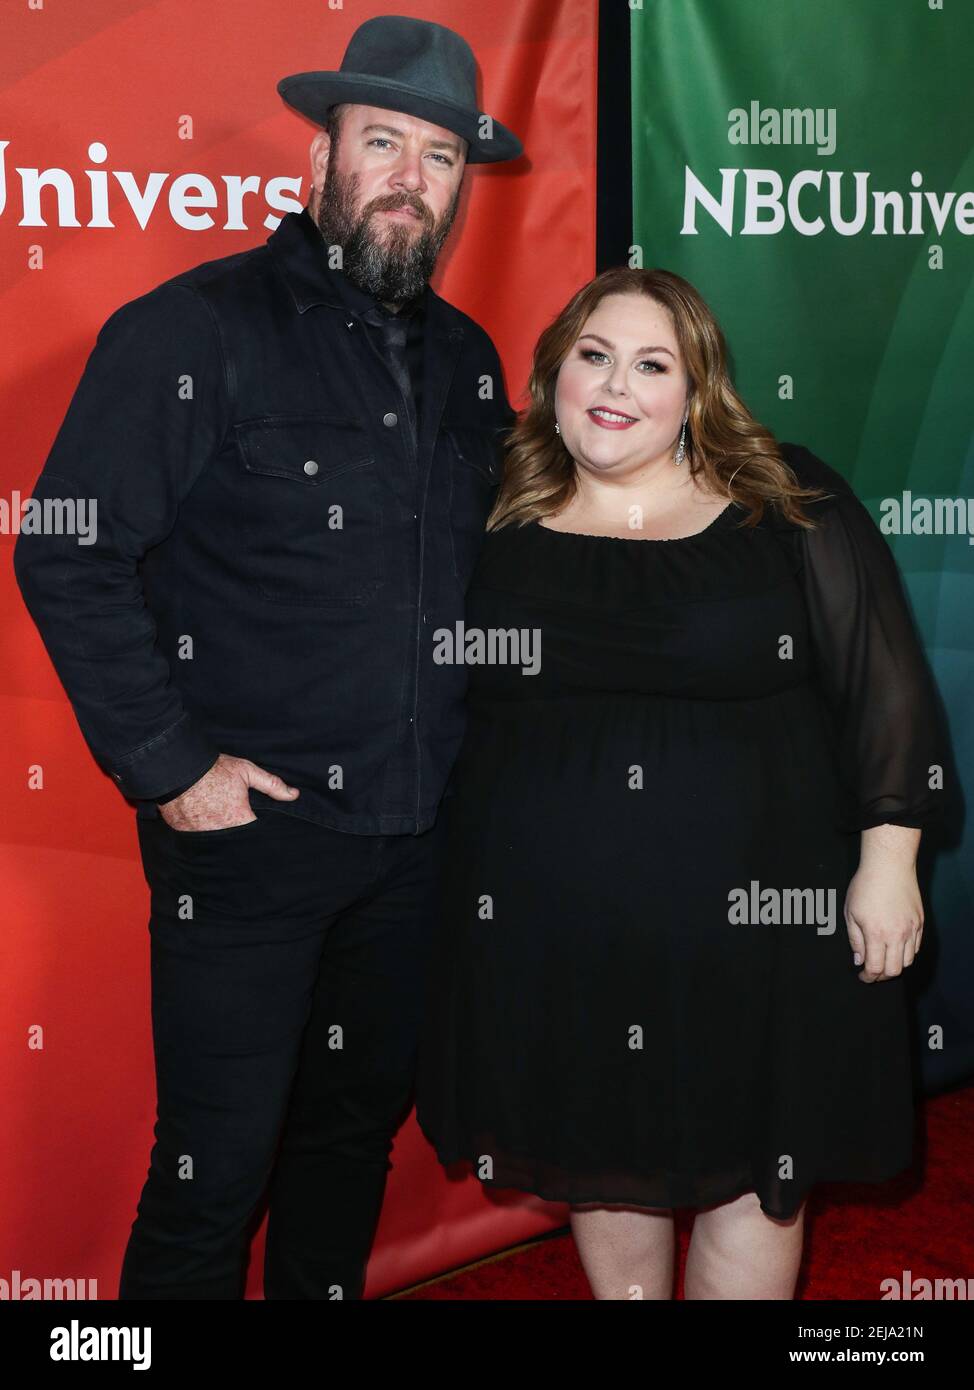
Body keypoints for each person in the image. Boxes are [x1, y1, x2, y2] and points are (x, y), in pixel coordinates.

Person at [13, 15, 522, 1300]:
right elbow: (64, 549)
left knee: (345, 1145)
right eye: (383, 144)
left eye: (441, 158)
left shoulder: (468, 367)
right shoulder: (190, 333)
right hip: (249, 846)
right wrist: (173, 766)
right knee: (209, 1172)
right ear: (320, 162)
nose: (412, 175)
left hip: (415, 849)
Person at [415, 266, 947, 1300]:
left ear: (694, 389)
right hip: (551, 929)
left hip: (757, 928)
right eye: (593, 355)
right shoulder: (492, 517)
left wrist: (888, 860)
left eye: (651, 363)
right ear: (552, 373)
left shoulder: (786, 501)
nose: (617, 383)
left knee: (755, 1175)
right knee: (601, 1157)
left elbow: (884, 691)